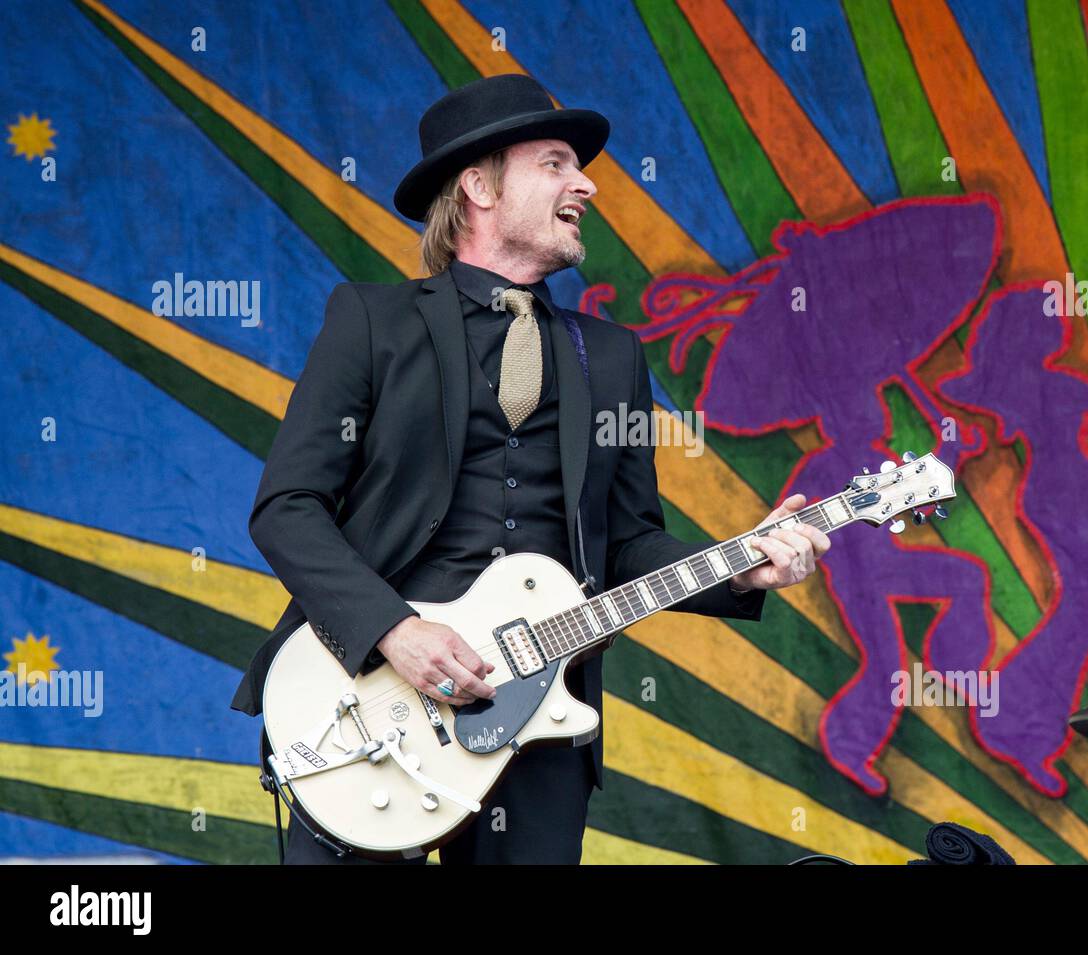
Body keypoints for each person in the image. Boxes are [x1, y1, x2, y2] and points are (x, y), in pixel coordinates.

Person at [229, 74, 830, 864]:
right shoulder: (373, 321)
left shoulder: (610, 356)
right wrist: (394, 631)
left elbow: (628, 543)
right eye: (555, 163)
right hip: (365, 701)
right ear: (478, 184)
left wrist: (743, 565)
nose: (585, 184)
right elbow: (287, 507)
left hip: (543, 719)